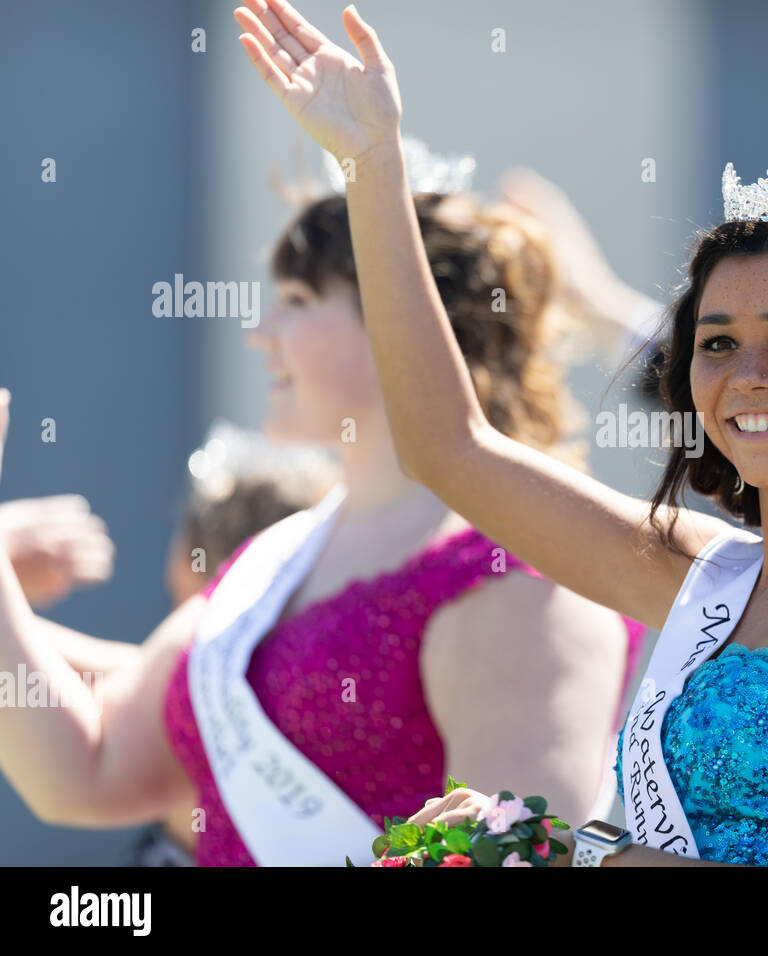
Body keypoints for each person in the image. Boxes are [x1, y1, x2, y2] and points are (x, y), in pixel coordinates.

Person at [233, 0, 768, 865]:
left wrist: (568, 854)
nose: (751, 375)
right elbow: (448, 448)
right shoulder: (712, 574)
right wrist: (371, 161)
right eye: (717, 344)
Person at [0, 139, 642, 866]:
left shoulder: (523, 570)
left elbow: (517, 852)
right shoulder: (276, 558)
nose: (261, 332)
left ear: (410, 322)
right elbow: (84, 773)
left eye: (299, 302)